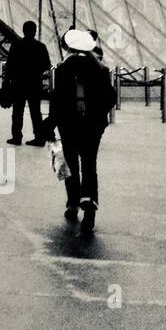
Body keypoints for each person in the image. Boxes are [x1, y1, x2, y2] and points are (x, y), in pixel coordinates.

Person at [50, 28, 117, 235]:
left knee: (69, 162)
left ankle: (72, 203)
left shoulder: (62, 69)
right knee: (89, 165)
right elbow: (110, 99)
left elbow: (57, 101)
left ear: (69, 47)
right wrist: (99, 117)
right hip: (93, 126)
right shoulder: (101, 70)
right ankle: (90, 208)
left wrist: (48, 126)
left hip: (69, 124)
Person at [4, 21, 52, 146]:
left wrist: (7, 81)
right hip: (34, 83)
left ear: (23, 30)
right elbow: (47, 65)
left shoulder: (16, 45)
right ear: (35, 31)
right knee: (36, 112)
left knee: (17, 112)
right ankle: (39, 137)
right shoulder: (40, 47)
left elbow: (9, 65)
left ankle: (17, 137)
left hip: (19, 83)